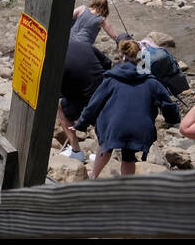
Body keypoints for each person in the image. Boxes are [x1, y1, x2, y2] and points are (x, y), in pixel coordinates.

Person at [75, 39, 180, 178]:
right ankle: (126, 187)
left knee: (105, 147)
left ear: (121, 56)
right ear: (140, 57)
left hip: (113, 126)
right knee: (128, 156)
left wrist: (81, 123)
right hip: (139, 130)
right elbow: (168, 104)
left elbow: (94, 104)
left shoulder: (111, 79)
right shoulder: (151, 82)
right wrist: (173, 119)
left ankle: (94, 175)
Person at [58, 35, 112, 162]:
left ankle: (76, 150)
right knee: (102, 118)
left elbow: (60, 91)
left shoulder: (56, 60)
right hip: (106, 90)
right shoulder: (83, 44)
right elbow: (107, 63)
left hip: (85, 97)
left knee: (61, 107)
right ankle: (102, 152)